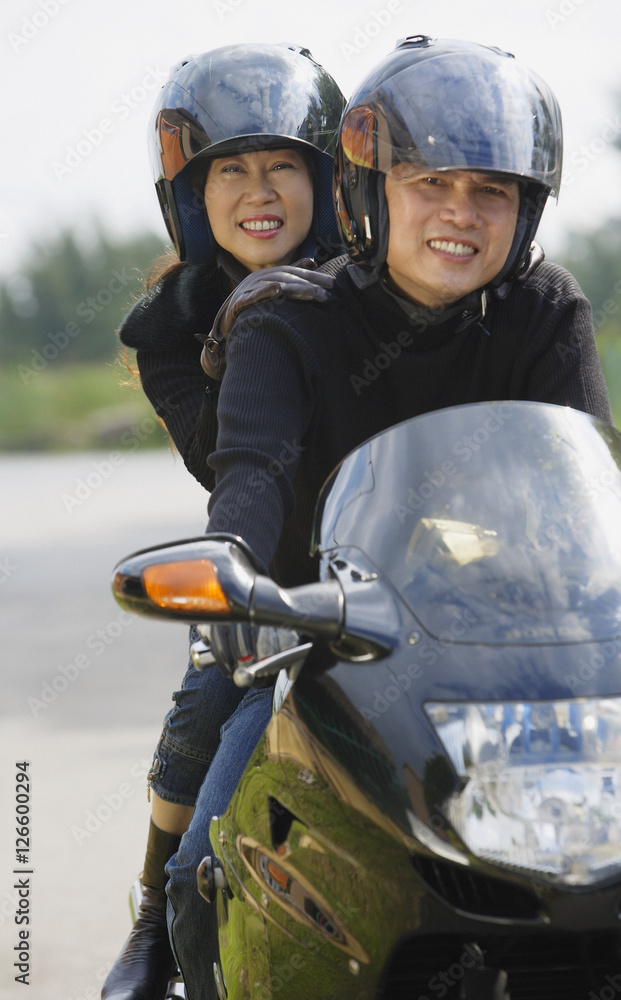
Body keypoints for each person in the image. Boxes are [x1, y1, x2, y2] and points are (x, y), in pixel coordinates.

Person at [164, 35, 612, 1000]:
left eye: (490, 190)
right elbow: (251, 475)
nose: (460, 213)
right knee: (207, 863)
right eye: (430, 183)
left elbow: (590, 493)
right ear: (367, 193)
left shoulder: (544, 311)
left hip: (515, 668)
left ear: (525, 209)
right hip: (321, 651)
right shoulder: (286, 319)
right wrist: (231, 567)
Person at [102, 43, 345, 1000]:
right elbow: (236, 466)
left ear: (328, 182)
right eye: (230, 169)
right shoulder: (168, 327)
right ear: (190, 196)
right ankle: (159, 920)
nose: (260, 190)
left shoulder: (379, 286)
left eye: (283, 163)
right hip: (271, 572)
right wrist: (250, 329)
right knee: (211, 699)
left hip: (398, 576)